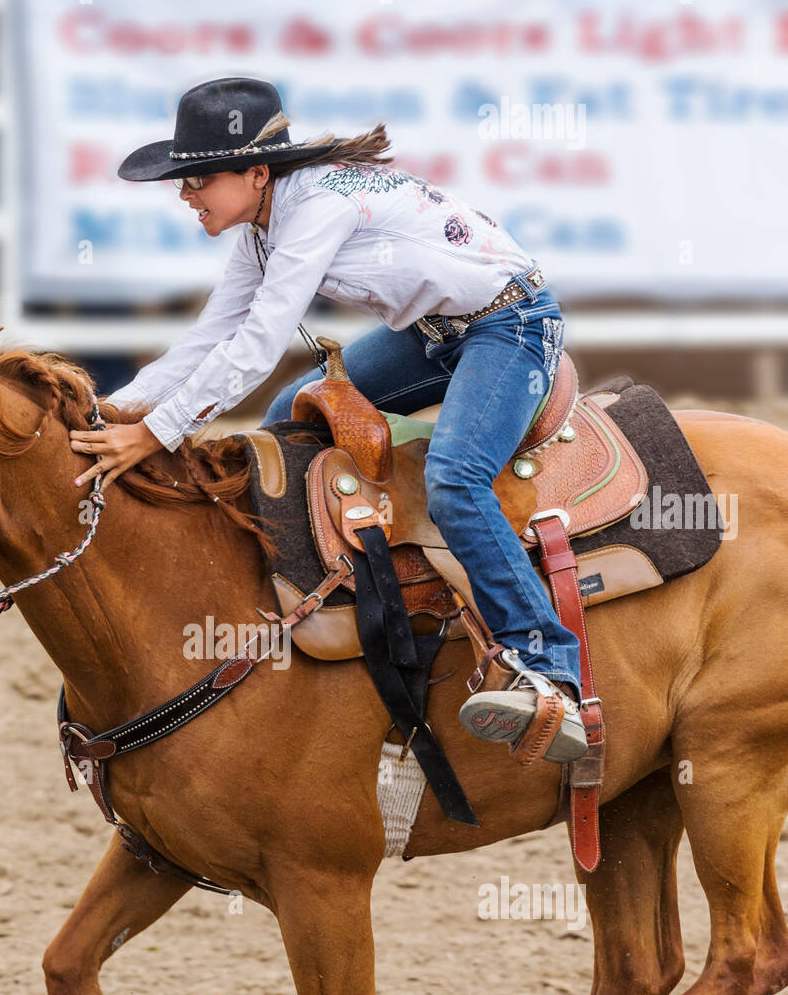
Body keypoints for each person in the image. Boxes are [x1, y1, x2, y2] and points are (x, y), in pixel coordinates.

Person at [71, 77, 586, 764]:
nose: (184, 193)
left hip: (509, 328)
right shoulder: (267, 221)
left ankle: (549, 670)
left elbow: (255, 344)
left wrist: (155, 433)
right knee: (291, 416)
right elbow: (207, 338)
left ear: (256, 173)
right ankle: (346, 602)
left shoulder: (313, 210)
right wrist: (116, 409)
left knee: (455, 480)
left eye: (197, 178)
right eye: (182, 181)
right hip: (437, 335)